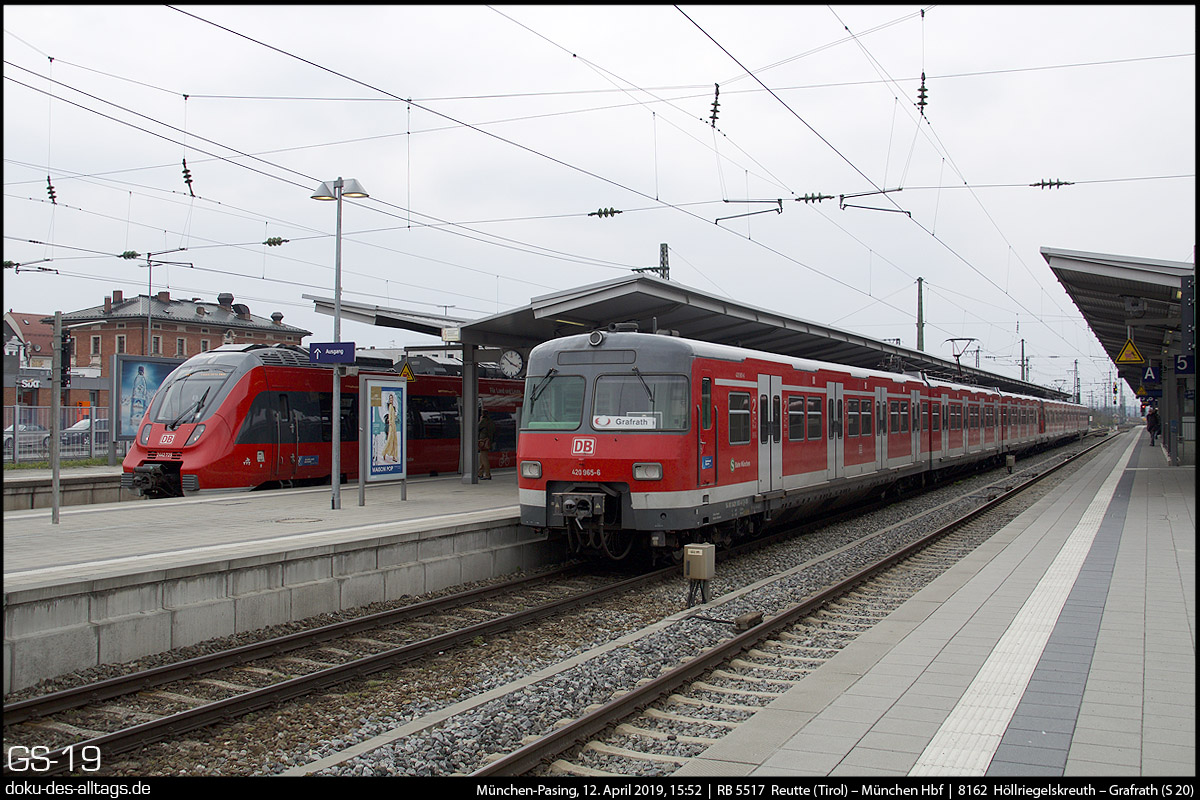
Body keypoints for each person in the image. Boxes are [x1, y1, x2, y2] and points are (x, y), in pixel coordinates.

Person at [477, 410, 496, 479]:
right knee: (482, 457)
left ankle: (488, 474)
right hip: (489, 441)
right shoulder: (491, 422)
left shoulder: (483, 421)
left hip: (483, 442)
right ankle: (480, 473)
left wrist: (480, 420)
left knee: (484, 458)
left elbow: (477, 428)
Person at [382, 393, 399, 463]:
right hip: (391, 426)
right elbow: (389, 417)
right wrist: (390, 422)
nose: (391, 400)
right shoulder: (389, 406)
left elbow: (393, 416)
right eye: (390, 398)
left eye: (392, 398)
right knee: (390, 440)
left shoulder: (393, 406)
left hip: (393, 425)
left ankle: (393, 456)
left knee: (394, 441)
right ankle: (384, 452)